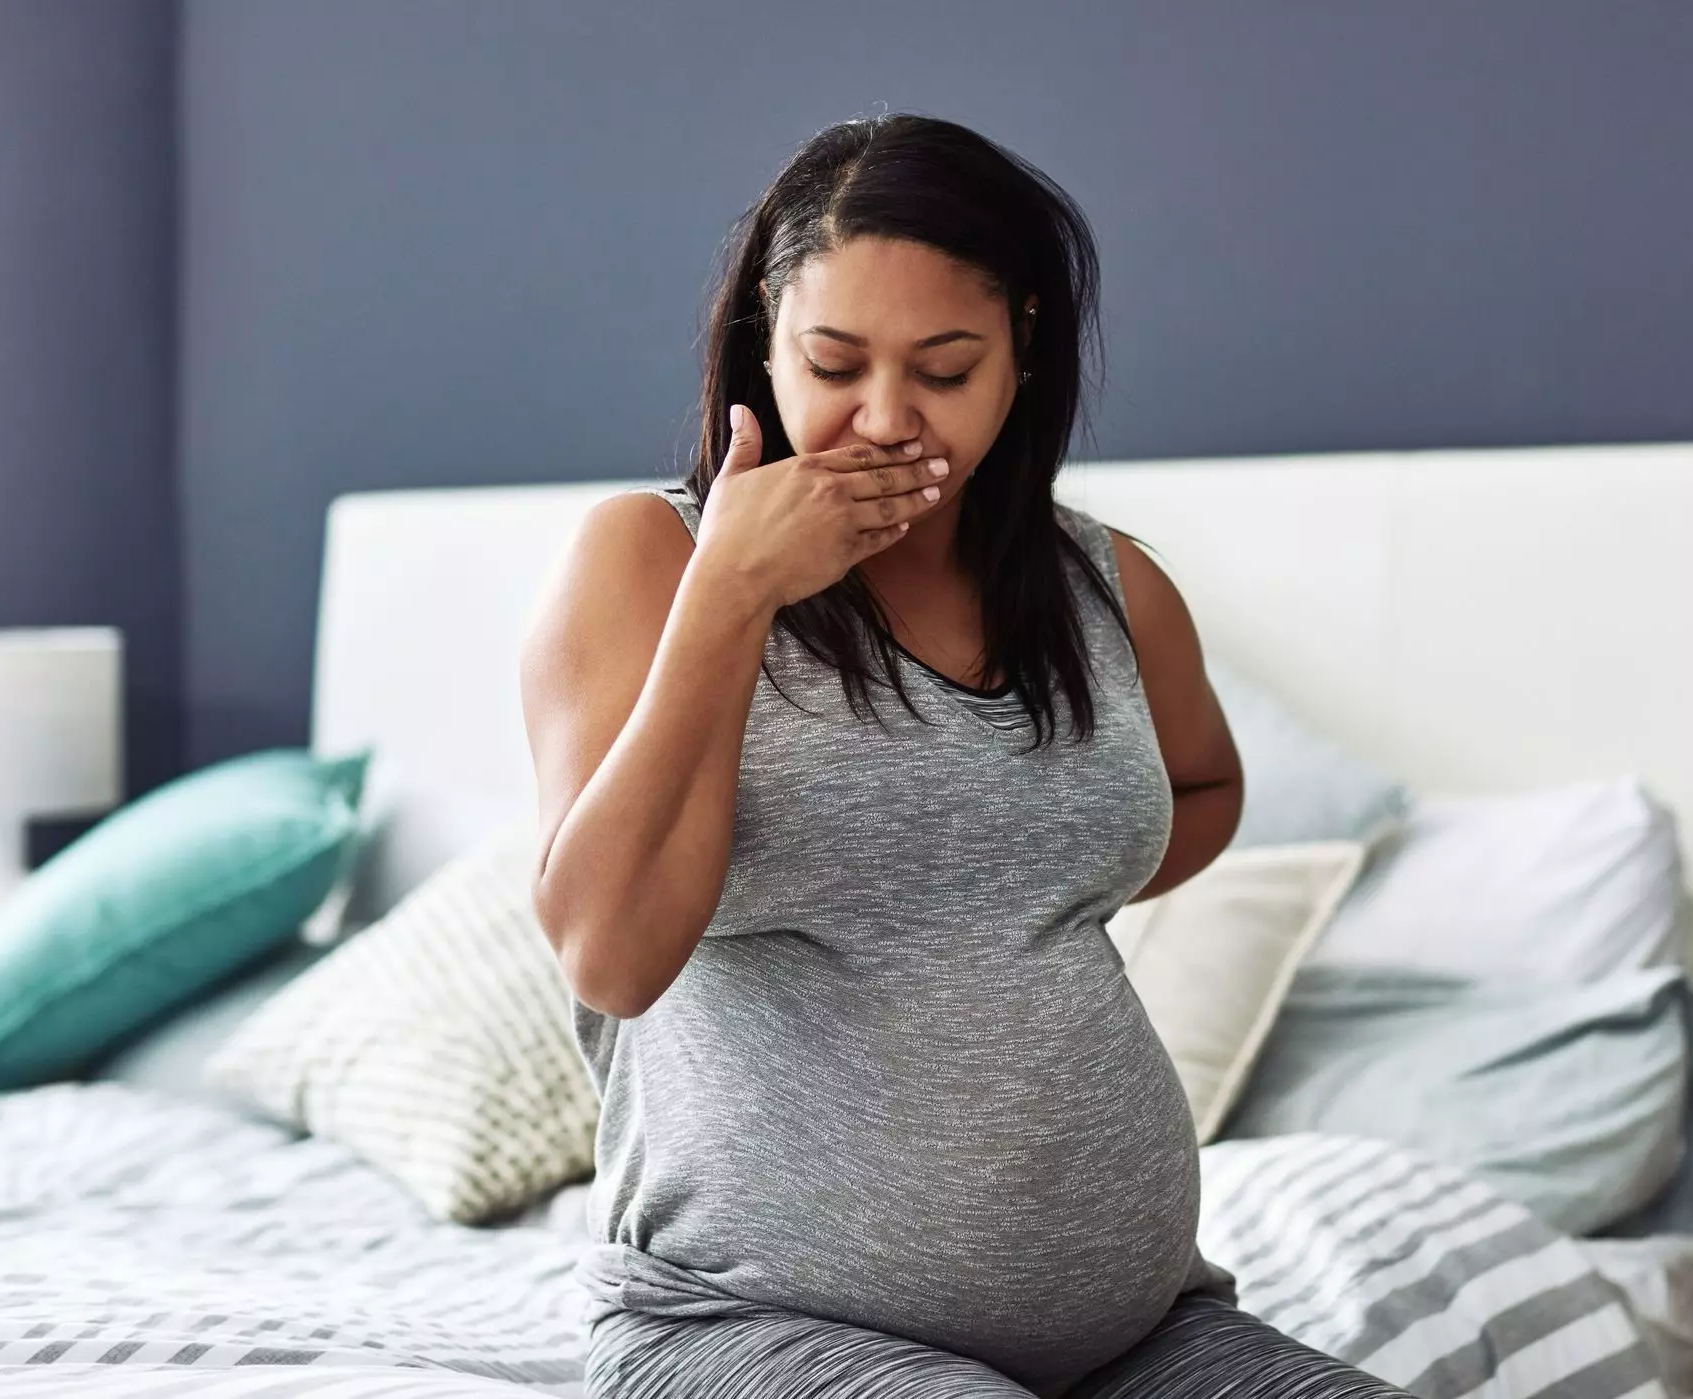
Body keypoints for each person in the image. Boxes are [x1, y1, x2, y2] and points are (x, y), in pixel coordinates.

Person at [521, 112, 1408, 1399]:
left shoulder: (1106, 587)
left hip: (1143, 1335)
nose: (886, 418)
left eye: (945, 370)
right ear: (764, 347)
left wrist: (999, 892)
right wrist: (733, 594)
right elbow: (609, 953)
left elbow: (1203, 789)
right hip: (736, 1323)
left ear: (1022, 356)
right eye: (834, 365)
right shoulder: (643, 560)